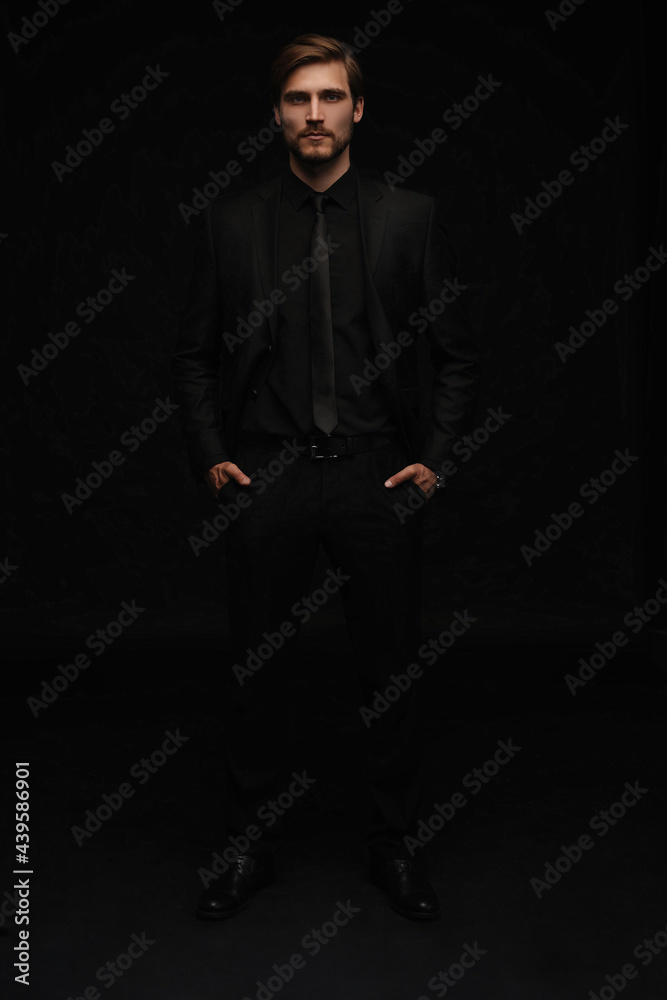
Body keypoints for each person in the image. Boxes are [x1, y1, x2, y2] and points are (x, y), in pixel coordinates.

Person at [172, 33, 479, 921]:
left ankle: (394, 847)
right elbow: (192, 355)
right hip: (265, 475)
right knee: (256, 675)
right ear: (276, 114)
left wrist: (435, 455)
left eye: (330, 97)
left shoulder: (409, 217)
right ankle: (249, 848)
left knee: (388, 672)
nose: (315, 114)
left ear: (357, 110)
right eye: (298, 99)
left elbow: (456, 355)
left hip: (375, 476)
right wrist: (211, 453)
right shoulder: (231, 223)